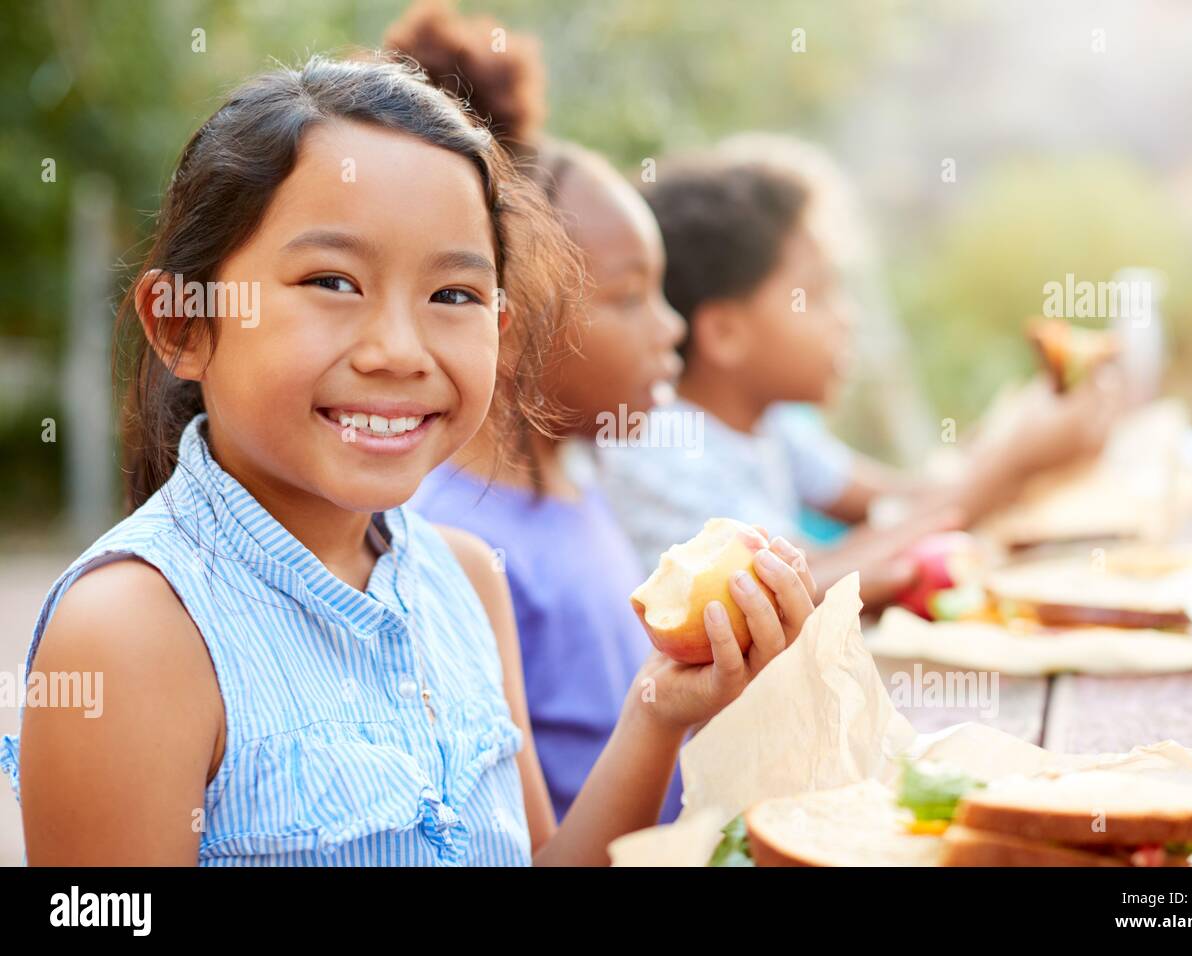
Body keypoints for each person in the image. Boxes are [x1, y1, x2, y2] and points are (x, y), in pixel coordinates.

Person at [0, 56, 813, 866]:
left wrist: (659, 709)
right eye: (332, 281)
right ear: (184, 324)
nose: (399, 350)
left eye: (453, 295)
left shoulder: (468, 578)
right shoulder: (132, 633)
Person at [387, 0, 689, 821]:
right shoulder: (453, 538)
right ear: (512, 325)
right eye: (629, 297)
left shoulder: (576, 482)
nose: (672, 328)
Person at [598, 153, 1124, 605]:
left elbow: (905, 500)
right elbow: (803, 588)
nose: (846, 318)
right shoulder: (661, 448)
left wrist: (1016, 443)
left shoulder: (772, 423)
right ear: (725, 333)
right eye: (815, 293)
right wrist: (1013, 459)